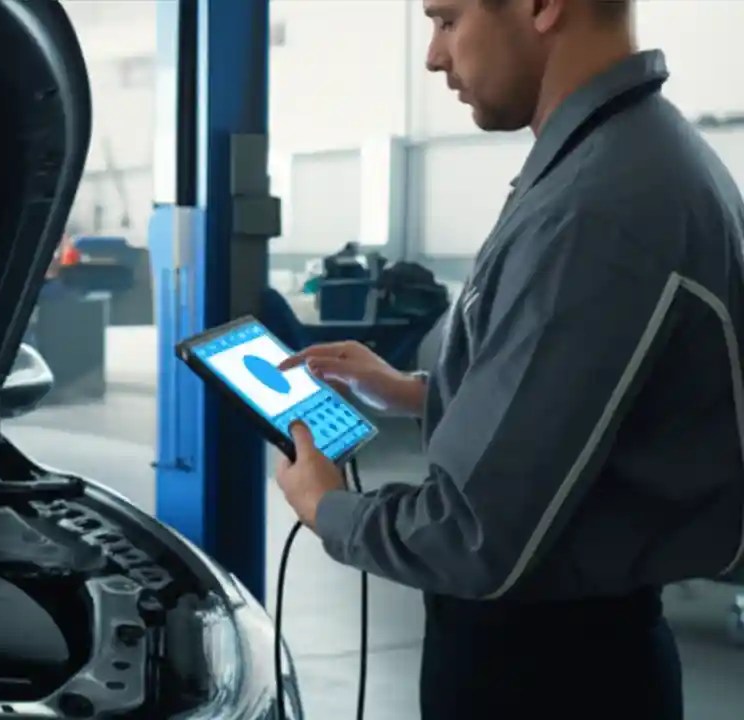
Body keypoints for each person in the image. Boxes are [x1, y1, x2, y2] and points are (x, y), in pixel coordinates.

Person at [274, 1, 744, 719]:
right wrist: (419, 394)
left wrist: (329, 508)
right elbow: (594, 401)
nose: (434, 56)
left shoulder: (599, 205)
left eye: (449, 18)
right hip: (572, 653)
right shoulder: (622, 154)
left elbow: (473, 536)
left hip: (549, 676)